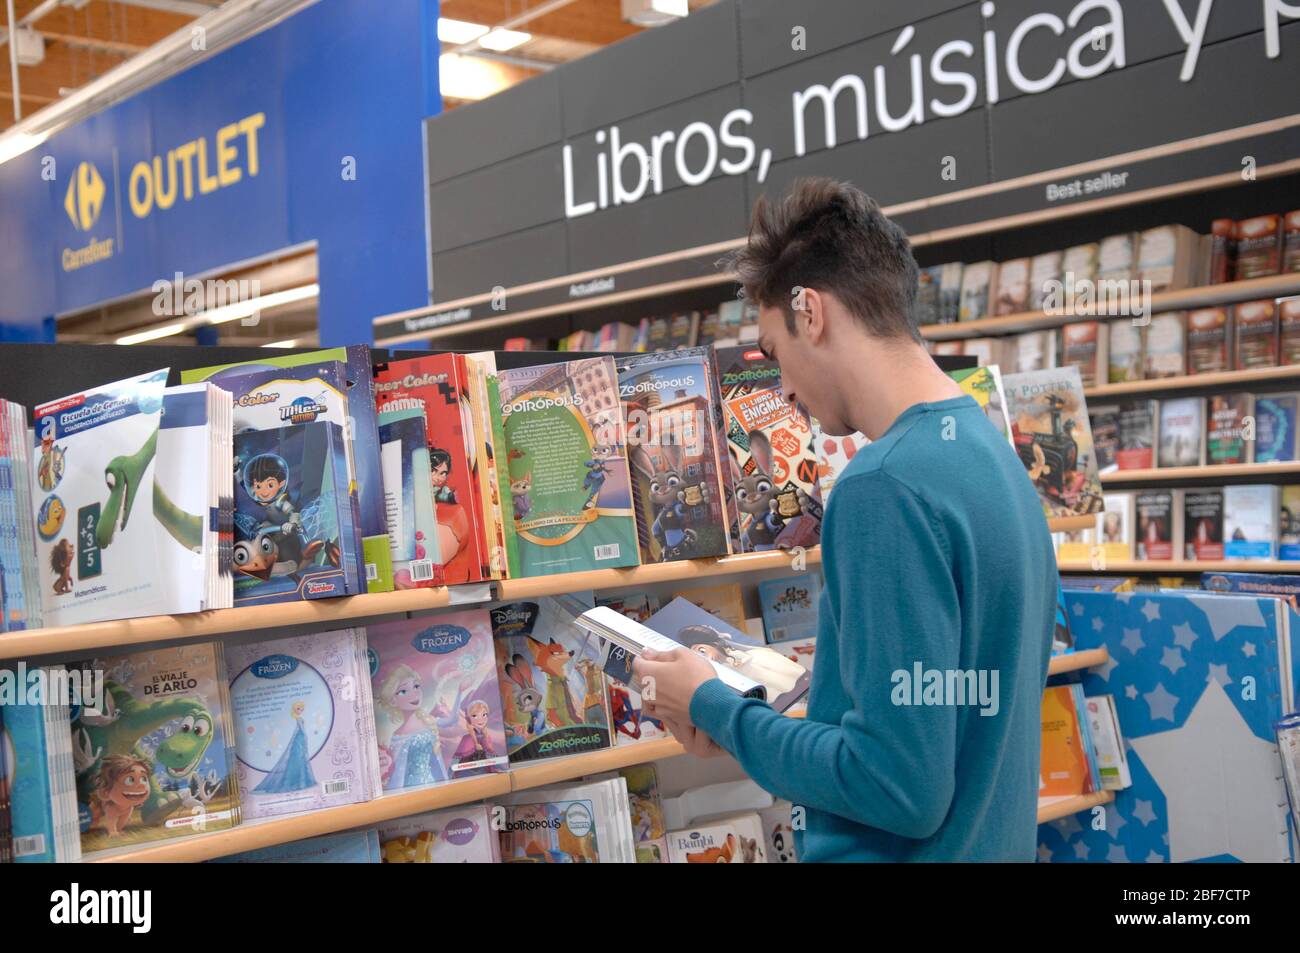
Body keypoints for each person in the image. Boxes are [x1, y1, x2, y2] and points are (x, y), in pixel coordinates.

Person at [633, 178, 1058, 862]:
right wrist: (753, 729)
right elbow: (933, 730)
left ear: (812, 311)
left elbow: (897, 787)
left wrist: (713, 704)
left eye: (774, 352)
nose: (784, 390)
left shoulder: (883, 485)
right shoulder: (993, 456)